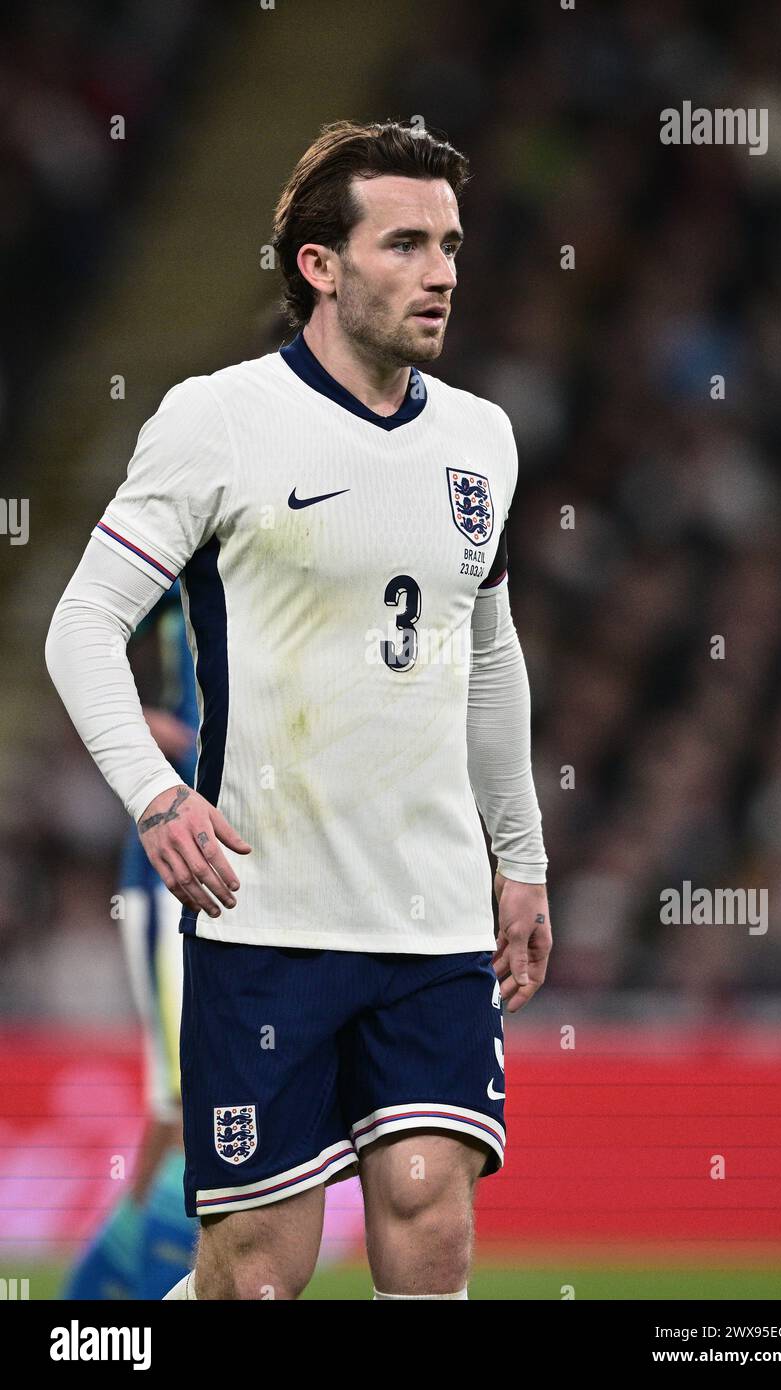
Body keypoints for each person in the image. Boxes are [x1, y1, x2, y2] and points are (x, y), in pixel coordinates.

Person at [45, 119, 552, 1301]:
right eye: (408, 243)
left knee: (430, 1232)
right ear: (320, 266)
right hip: (265, 912)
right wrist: (156, 795)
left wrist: (519, 859)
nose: (443, 273)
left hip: (430, 922)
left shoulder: (484, 438)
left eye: (453, 245)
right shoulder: (217, 420)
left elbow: (491, 653)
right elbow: (81, 624)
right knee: (257, 1279)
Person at [62, 583, 200, 1299]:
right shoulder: (181, 544)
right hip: (177, 858)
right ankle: (109, 1303)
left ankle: (94, 1305)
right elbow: (77, 628)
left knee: (183, 1107)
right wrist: (126, 726)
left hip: (247, 853)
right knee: (187, 1104)